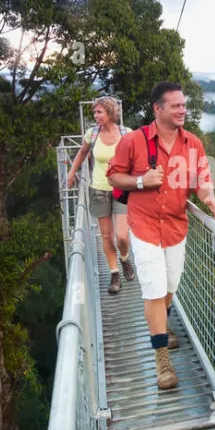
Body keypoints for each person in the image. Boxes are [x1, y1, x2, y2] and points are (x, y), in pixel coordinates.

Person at [107, 81, 215, 390]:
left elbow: (202, 178)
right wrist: (142, 181)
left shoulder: (193, 144)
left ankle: (162, 324)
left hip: (175, 226)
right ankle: (162, 359)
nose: (183, 109)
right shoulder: (133, 141)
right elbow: (114, 176)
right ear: (158, 109)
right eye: (176, 105)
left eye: (184, 105)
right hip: (143, 226)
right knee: (154, 290)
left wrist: (208, 196)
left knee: (170, 288)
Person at [66, 97, 136, 294]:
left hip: (121, 188)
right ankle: (114, 273)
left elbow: (137, 156)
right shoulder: (92, 133)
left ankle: (124, 258)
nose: (96, 116)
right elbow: (82, 153)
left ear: (111, 113)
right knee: (106, 234)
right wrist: (72, 173)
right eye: (94, 112)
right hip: (98, 188)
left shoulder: (126, 133)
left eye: (100, 112)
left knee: (122, 235)